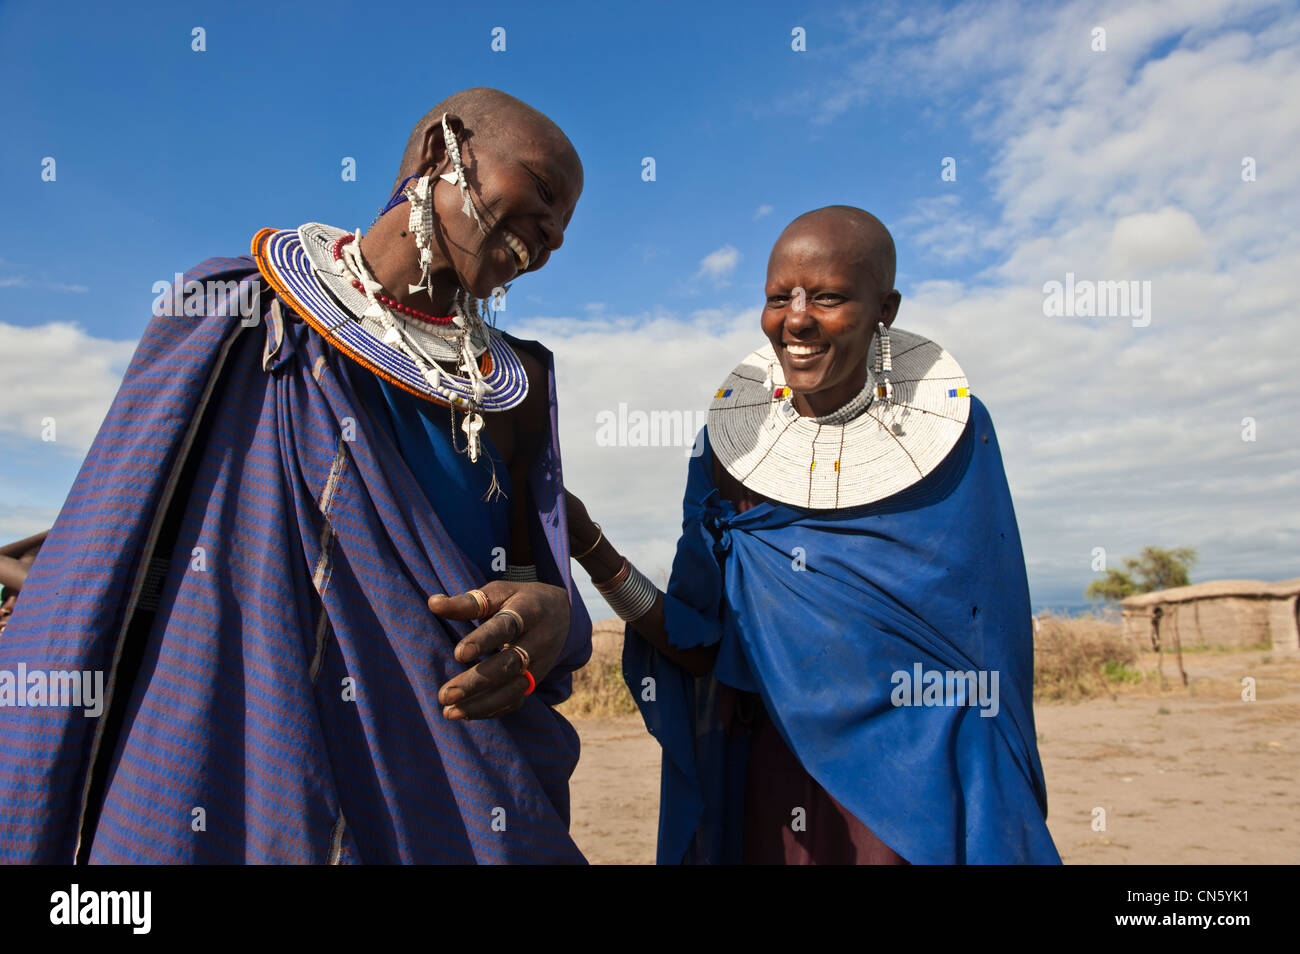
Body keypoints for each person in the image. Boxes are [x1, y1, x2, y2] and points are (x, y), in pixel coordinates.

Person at [0, 87, 594, 863]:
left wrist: (550, 613)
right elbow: (113, 535)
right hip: (226, 760)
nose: (548, 235)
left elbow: (533, 576)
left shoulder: (517, 386)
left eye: (562, 227)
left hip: (440, 774)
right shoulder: (232, 318)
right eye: (542, 193)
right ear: (439, 153)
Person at [566, 206, 1061, 864]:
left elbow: (979, 630)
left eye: (827, 297)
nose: (796, 319)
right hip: (779, 778)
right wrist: (593, 550)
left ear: (885, 308)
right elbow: (699, 643)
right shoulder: (726, 453)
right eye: (778, 298)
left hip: (923, 776)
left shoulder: (954, 435)